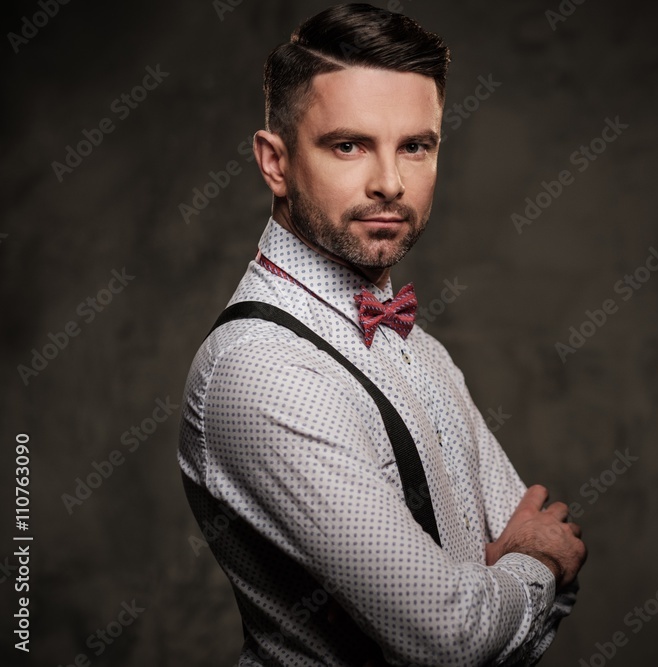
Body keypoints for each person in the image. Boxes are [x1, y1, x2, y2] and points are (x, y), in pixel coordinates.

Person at [177, 4, 586, 665]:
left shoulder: (423, 350)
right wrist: (532, 563)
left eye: (415, 146)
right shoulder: (263, 369)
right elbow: (452, 636)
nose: (390, 182)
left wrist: (512, 577)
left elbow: (545, 563)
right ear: (274, 162)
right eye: (349, 145)